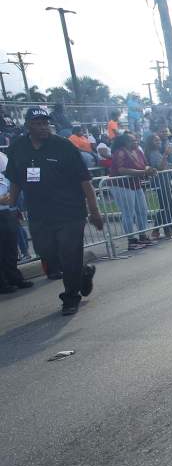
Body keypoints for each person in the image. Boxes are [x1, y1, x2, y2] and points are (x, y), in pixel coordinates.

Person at [1, 108, 103, 315]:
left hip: (70, 212)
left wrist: (94, 211)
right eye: (38, 123)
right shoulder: (19, 147)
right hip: (39, 213)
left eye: (46, 123)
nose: (43, 127)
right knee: (47, 253)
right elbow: (15, 177)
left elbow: (85, 180)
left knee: (69, 253)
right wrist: (11, 200)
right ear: (28, 125)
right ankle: (82, 272)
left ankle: (71, 297)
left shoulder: (64, 146)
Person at [110, 132, 157, 249]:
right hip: (121, 186)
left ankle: (143, 236)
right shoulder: (120, 152)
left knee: (142, 210)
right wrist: (143, 172)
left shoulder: (138, 151)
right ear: (125, 142)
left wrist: (149, 169)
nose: (136, 142)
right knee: (128, 213)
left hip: (136, 184)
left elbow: (145, 164)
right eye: (132, 140)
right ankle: (131, 240)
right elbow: (122, 170)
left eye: (136, 140)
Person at [0, 150, 34, 293]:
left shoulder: (3, 176)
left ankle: (15, 278)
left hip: (8, 213)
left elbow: (11, 190)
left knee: (11, 250)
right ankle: (3, 283)